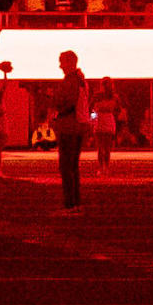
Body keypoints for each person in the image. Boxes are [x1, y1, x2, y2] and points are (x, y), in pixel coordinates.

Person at [48, 52, 88, 211]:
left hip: (68, 127)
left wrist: (54, 107)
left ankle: (70, 203)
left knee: (66, 167)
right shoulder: (81, 80)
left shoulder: (70, 81)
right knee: (73, 167)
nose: (60, 66)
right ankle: (75, 202)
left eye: (62, 62)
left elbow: (65, 103)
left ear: (70, 63)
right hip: (77, 127)